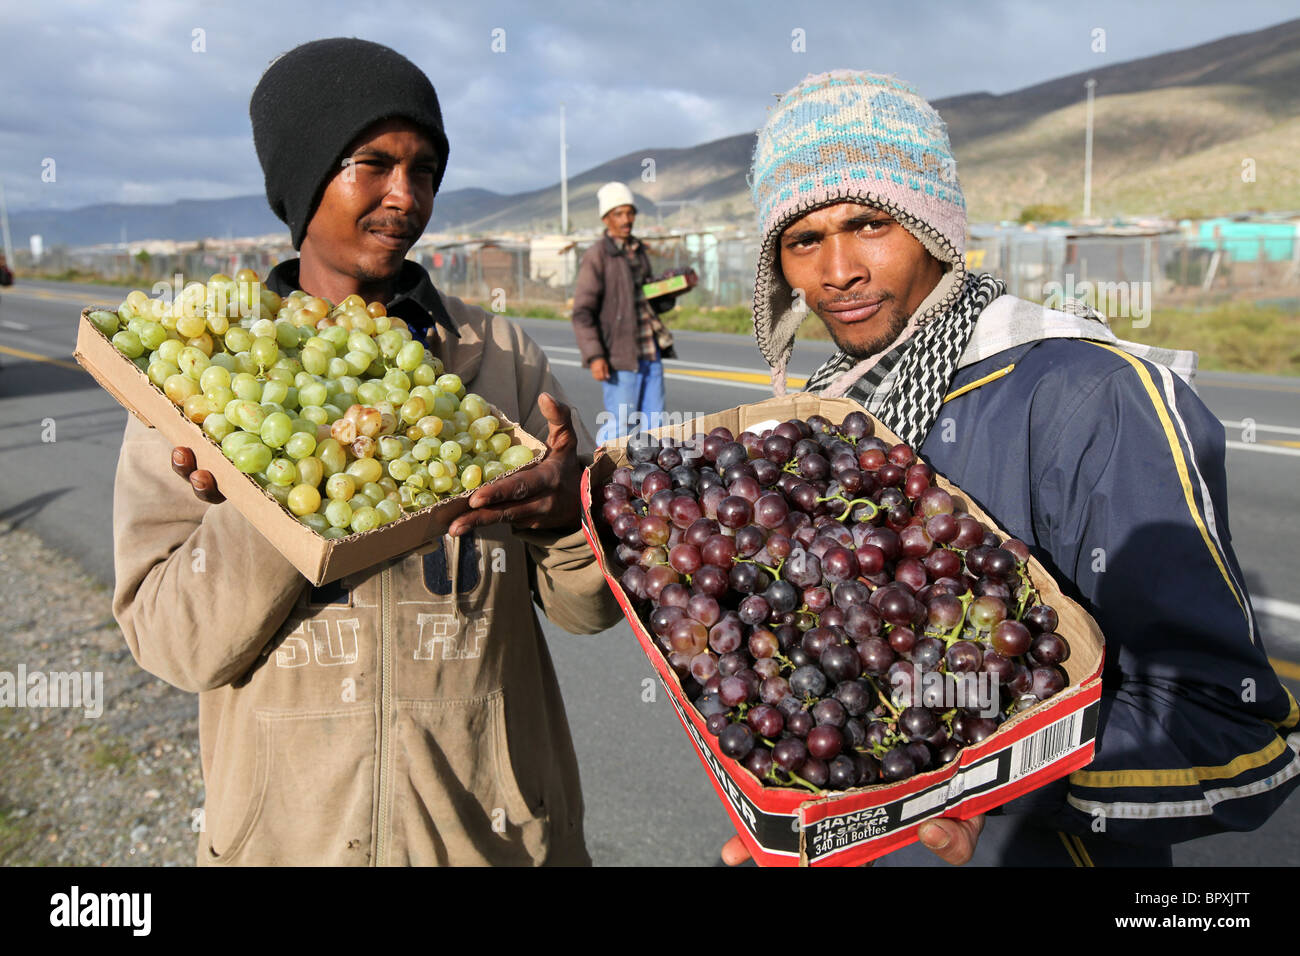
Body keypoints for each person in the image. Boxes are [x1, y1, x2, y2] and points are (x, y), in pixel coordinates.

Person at [725, 70, 1298, 866]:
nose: (839, 269)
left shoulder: (1090, 396)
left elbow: (1227, 730)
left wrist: (978, 782)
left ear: (932, 224)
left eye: (869, 223)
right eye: (803, 239)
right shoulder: (826, 419)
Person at [111, 37, 622, 866]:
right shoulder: (198, 384)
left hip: (492, 844)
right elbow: (174, 644)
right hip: (289, 844)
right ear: (303, 178)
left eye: (424, 170)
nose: (405, 196)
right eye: (372, 164)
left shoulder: (498, 357)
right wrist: (264, 500)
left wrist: (572, 516)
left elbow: (585, 610)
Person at [571, 182, 679, 444]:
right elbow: (582, 312)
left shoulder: (638, 250)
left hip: (650, 351)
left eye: (630, 212)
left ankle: (650, 478)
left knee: (656, 426)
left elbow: (646, 301)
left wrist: (671, 289)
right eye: (619, 214)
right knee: (621, 425)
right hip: (619, 355)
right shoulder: (598, 255)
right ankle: (604, 478)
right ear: (606, 218)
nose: (626, 219)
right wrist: (595, 356)